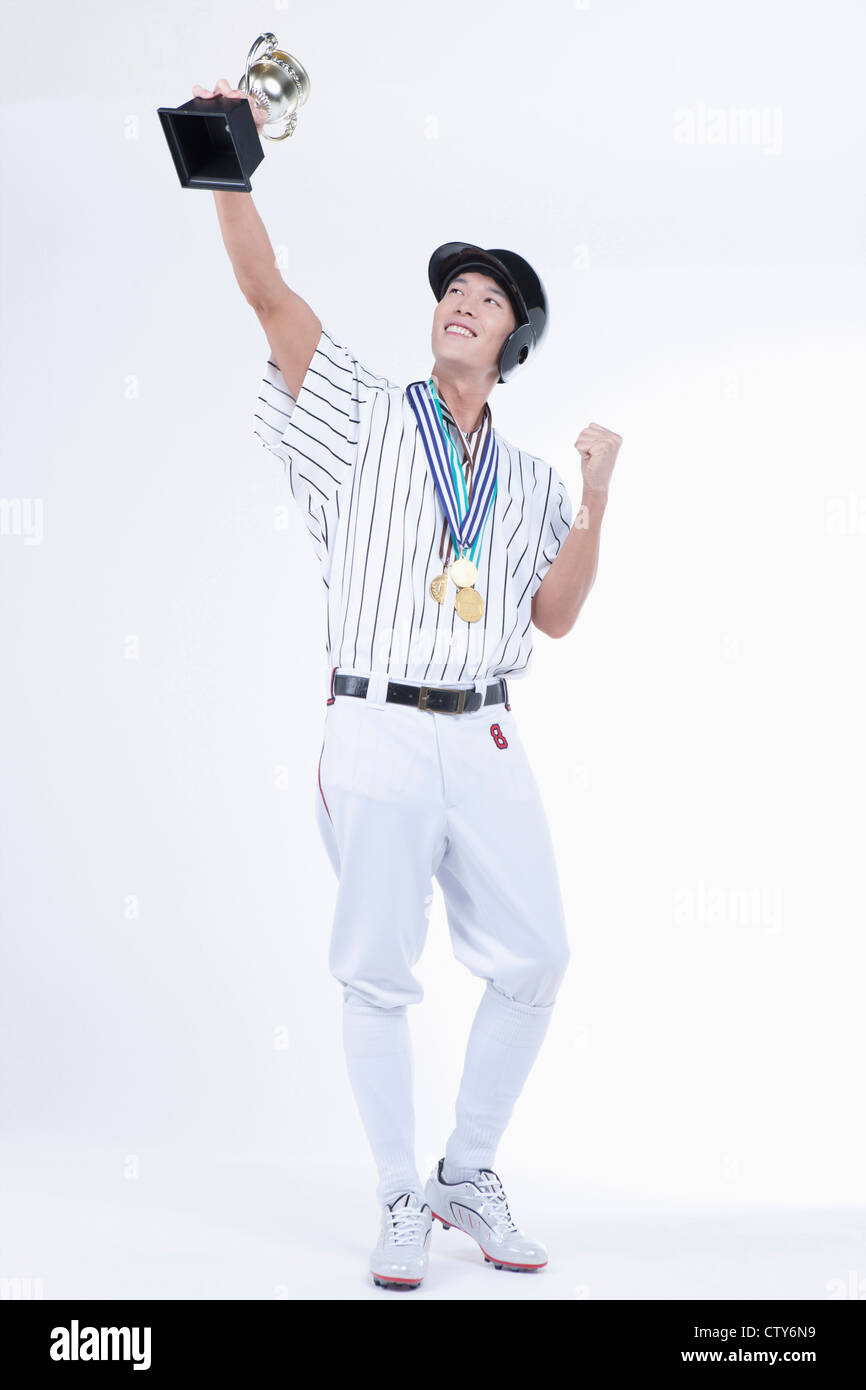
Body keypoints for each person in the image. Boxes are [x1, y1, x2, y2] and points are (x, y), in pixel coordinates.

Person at [195, 77, 622, 1291]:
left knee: (534, 956)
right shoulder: (365, 418)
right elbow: (268, 297)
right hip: (375, 721)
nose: (460, 303)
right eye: (452, 289)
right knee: (376, 972)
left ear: (511, 344)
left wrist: (595, 500)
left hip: (484, 734)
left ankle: (463, 1173)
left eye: (486, 300)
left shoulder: (536, 478)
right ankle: (394, 1197)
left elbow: (555, 614)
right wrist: (228, 161)